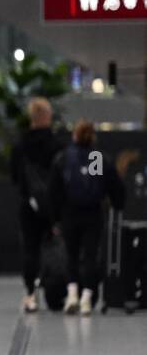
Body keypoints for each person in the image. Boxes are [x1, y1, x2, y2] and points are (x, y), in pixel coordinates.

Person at [49, 119, 125, 315]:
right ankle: (86, 298)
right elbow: (102, 185)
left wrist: (55, 217)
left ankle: (72, 293)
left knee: (71, 256)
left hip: (69, 213)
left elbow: (55, 190)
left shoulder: (65, 156)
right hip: (92, 213)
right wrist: (117, 203)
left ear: (74, 134)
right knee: (90, 257)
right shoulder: (96, 157)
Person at [9, 97, 63, 312]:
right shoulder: (57, 144)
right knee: (57, 247)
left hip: (28, 204)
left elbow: (14, 176)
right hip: (53, 206)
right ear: (48, 117)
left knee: (30, 249)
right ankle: (59, 290)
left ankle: (31, 294)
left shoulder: (20, 145)